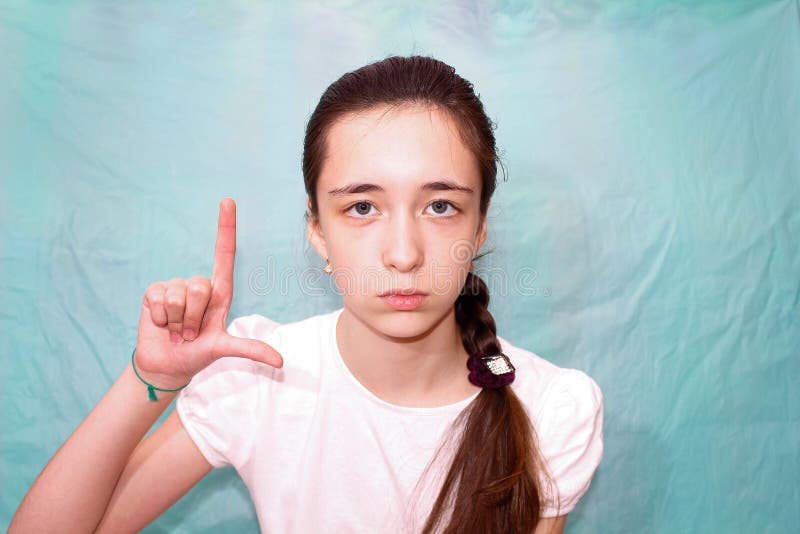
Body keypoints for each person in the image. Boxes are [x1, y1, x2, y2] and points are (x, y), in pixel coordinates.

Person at [10, 55, 603, 534]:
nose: (403, 254)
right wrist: (151, 381)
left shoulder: (550, 409)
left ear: (480, 229)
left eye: (440, 206)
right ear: (317, 231)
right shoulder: (259, 374)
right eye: (362, 207)